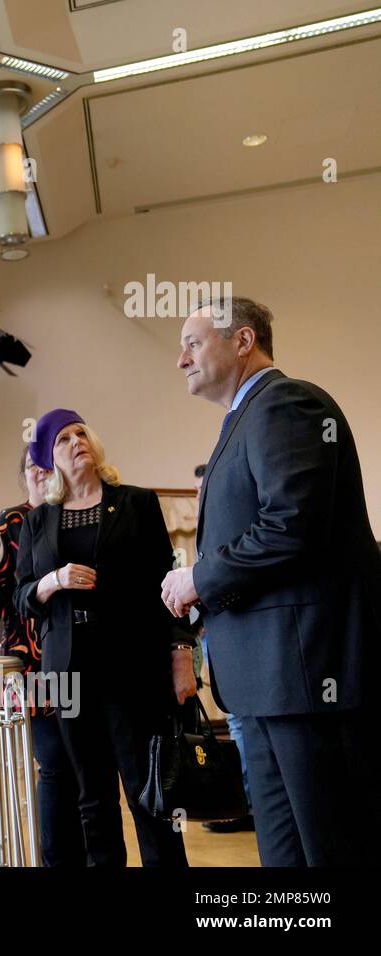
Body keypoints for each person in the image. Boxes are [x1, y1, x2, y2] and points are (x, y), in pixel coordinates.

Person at [162, 297, 381, 866]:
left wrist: (198, 579)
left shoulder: (285, 402)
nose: (181, 359)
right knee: (285, 854)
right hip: (265, 683)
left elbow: (291, 526)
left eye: (193, 342)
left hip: (304, 677)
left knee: (330, 847)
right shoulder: (243, 419)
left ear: (242, 341)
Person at [16, 409, 195, 867]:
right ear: (49, 461)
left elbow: (167, 583)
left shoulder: (135, 502)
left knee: (146, 793)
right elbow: (21, 598)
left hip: (131, 668)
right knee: (92, 798)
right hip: (68, 676)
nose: (77, 441)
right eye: (63, 439)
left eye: (81, 433)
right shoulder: (39, 522)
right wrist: (53, 579)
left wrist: (180, 652)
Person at [0, 447, 86, 866]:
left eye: (49, 463)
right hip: (35, 662)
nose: (42, 472)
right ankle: (57, 861)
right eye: (33, 466)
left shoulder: (79, 510)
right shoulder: (12, 521)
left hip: (84, 657)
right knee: (55, 764)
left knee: (89, 770)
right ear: (24, 475)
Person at [191, 462, 254, 834]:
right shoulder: (206, 526)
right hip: (215, 629)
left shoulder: (229, 520)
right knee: (236, 718)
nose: (200, 495)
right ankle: (243, 799)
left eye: (202, 489)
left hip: (239, 626)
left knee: (242, 720)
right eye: (196, 491)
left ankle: (246, 803)